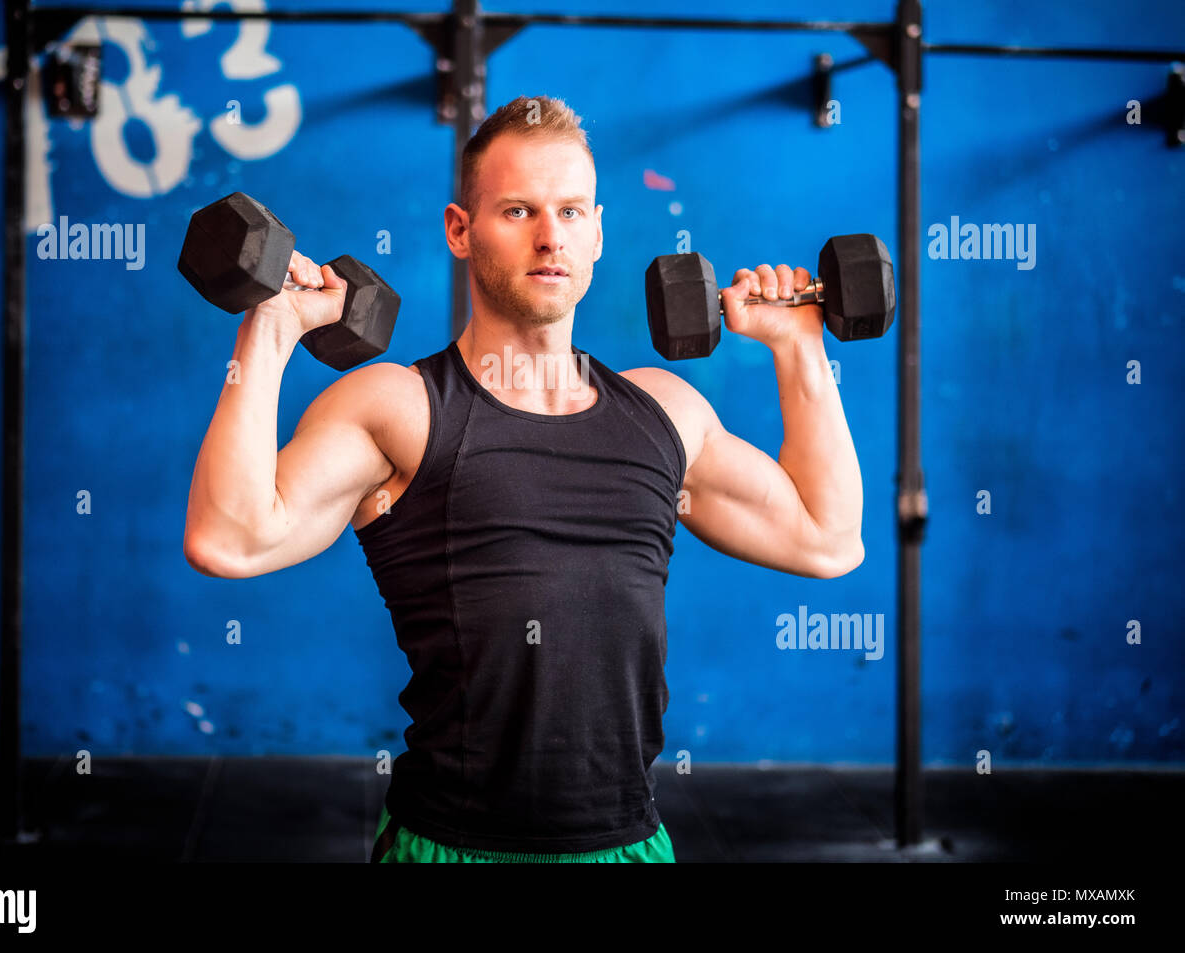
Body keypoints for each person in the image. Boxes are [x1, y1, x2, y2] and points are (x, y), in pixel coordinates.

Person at [182, 95, 865, 863]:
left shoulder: (666, 414)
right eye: (518, 210)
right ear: (460, 229)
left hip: (629, 846)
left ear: (598, 231)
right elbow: (228, 539)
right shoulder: (400, 410)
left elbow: (827, 537)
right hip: (451, 848)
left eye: (571, 212)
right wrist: (270, 329)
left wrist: (799, 345)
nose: (550, 237)